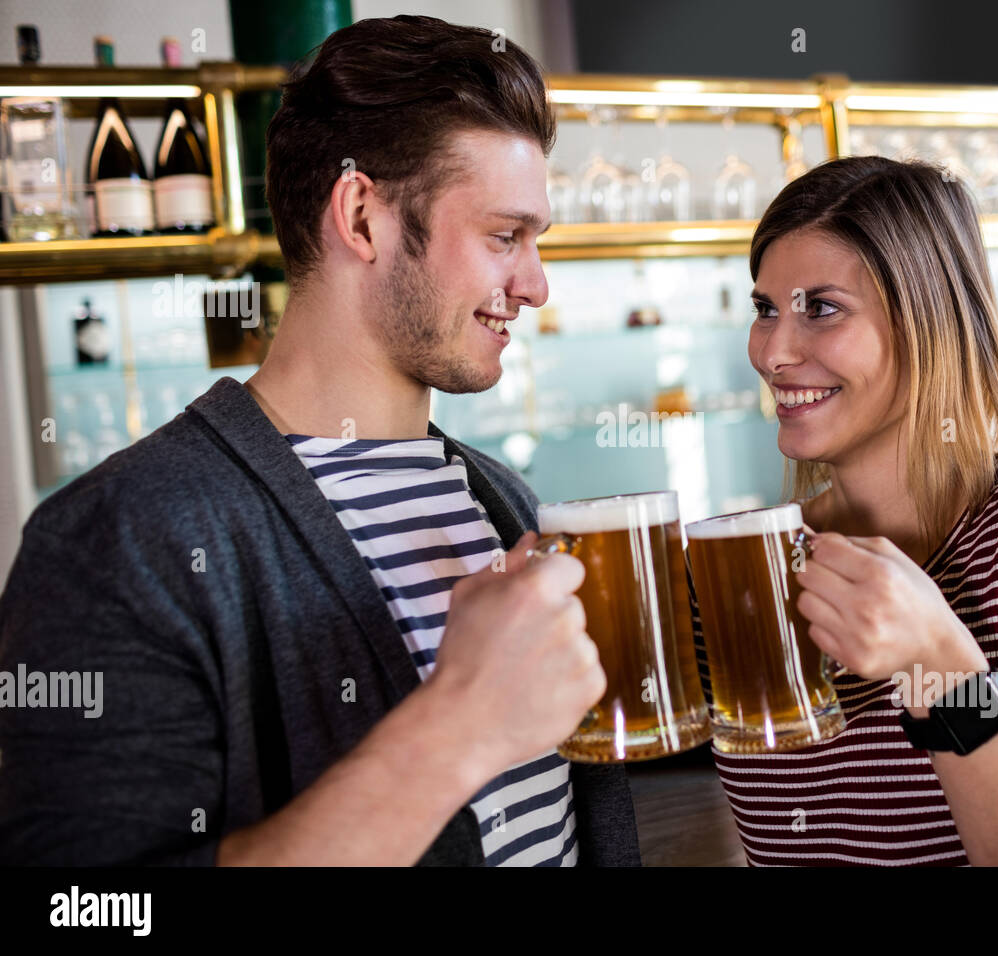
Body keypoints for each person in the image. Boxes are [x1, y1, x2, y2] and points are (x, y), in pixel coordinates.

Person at [0, 16, 640, 867]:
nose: (535, 283)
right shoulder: (120, 538)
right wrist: (456, 731)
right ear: (363, 218)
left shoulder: (502, 501)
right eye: (502, 235)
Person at [702, 155, 998, 866]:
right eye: (765, 310)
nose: (773, 351)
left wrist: (940, 669)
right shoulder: (757, 564)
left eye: (820, 309)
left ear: (929, 321)